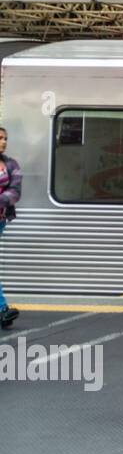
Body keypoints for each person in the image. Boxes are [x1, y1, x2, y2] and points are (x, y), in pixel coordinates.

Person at [0, 127, 22, 329]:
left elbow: (14, 192)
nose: (4, 142)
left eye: (5, 138)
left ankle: (2, 309)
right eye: (0, 138)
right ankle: (2, 309)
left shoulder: (11, 164)